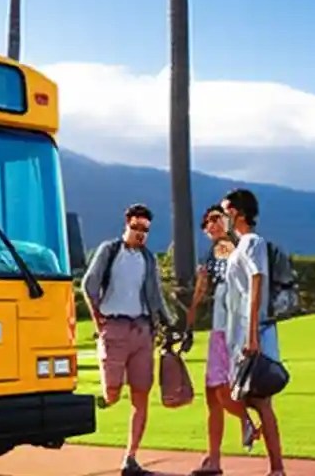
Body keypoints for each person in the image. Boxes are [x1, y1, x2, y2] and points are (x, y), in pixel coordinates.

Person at [81, 203, 174, 476]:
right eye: (136, 227)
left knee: (141, 394)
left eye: (145, 229)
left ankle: (130, 458)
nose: (140, 233)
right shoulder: (110, 251)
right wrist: (97, 319)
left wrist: (169, 323)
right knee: (112, 392)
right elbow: (88, 284)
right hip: (115, 326)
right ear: (127, 224)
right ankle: (101, 399)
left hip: (142, 329)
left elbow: (155, 295)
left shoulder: (148, 259)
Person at [188, 204, 260, 475]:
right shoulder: (216, 251)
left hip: (230, 329)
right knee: (212, 396)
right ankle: (214, 458)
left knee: (220, 390)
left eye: (216, 219)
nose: (211, 225)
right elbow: (204, 286)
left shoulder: (233, 248)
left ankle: (246, 420)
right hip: (220, 326)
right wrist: (192, 314)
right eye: (207, 222)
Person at [219, 187, 286, 476]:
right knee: (240, 395)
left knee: (260, 400)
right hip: (242, 332)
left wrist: (252, 334)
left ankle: (277, 468)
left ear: (236, 213)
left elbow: (257, 279)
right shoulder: (239, 246)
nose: (222, 217)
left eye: (225, 211)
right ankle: (255, 436)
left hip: (255, 330)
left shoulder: (251, 243)